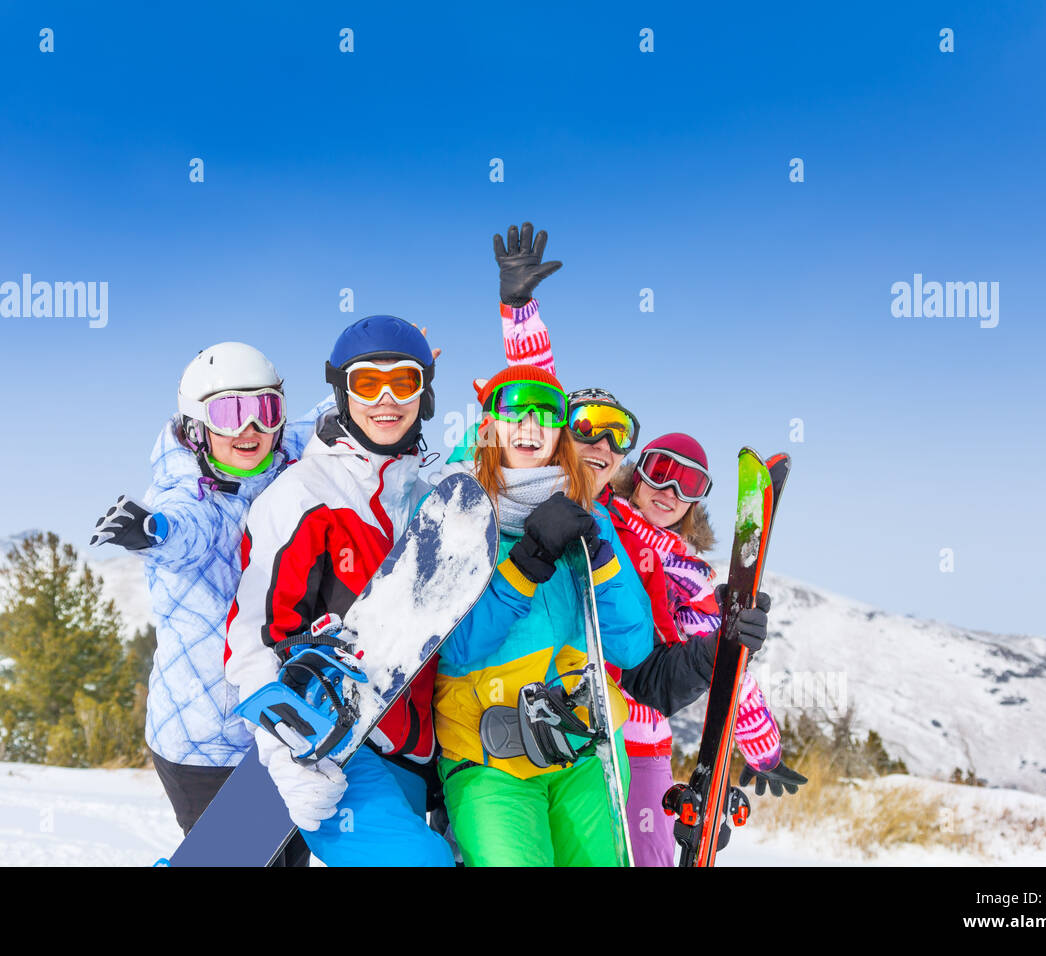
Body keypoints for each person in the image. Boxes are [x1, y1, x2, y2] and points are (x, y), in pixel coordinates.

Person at [489, 222, 804, 866]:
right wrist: (520, 309)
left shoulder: (686, 567)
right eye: (659, 470)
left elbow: (723, 653)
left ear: (696, 500)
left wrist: (762, 745)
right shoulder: (593, 508)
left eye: (687, 484)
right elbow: (542, 396)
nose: (668, 489)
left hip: (642, 733)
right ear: (637, 474)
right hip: (559, 719)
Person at [224, 315, 455, 867]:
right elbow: (252, 643)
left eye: (402, 382)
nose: (385, 399)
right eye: (365, 383)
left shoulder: (436, 496)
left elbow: (529, 441)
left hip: (419, 746)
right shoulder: (302, 497)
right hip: (335, 745)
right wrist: (287, 750)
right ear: (340, 392)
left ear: (424, 392)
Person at [89, 342, 325, 857]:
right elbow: (192, 532)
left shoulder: (282, 458)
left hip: (274, 726)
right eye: (229, 413)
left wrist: (384, 368)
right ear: (197, 426)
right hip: (204, 741)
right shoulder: (192, 495)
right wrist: (154, 531)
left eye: (265, 410)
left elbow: (318, 421)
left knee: (282, 856)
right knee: (236, 855)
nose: (250, 429)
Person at [432, 363, 654, 866]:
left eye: (546, 413)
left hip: (585, 748)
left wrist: (600, 560)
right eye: (514, 410)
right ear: (488, 427)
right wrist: (525, 563)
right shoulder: (454, 509)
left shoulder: (588, 517)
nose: (530, 425)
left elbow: (631, 646)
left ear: (559, 434)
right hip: (490, 756)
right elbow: (452, 651)